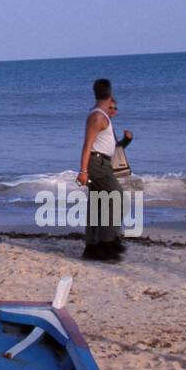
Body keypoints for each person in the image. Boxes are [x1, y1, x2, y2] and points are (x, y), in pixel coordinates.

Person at [77, 78, 134, 260]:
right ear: (109, 96)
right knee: (117, 199)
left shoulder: (102, 117)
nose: (115, 110)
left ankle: (92, 248)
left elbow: (111, 148)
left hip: (101, 162)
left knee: (97, 204)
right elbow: (88, 146)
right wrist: (83, 171)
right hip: (97, 164)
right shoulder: (98, 117)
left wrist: (126, 141)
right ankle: (108, 244)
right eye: (114, 106)